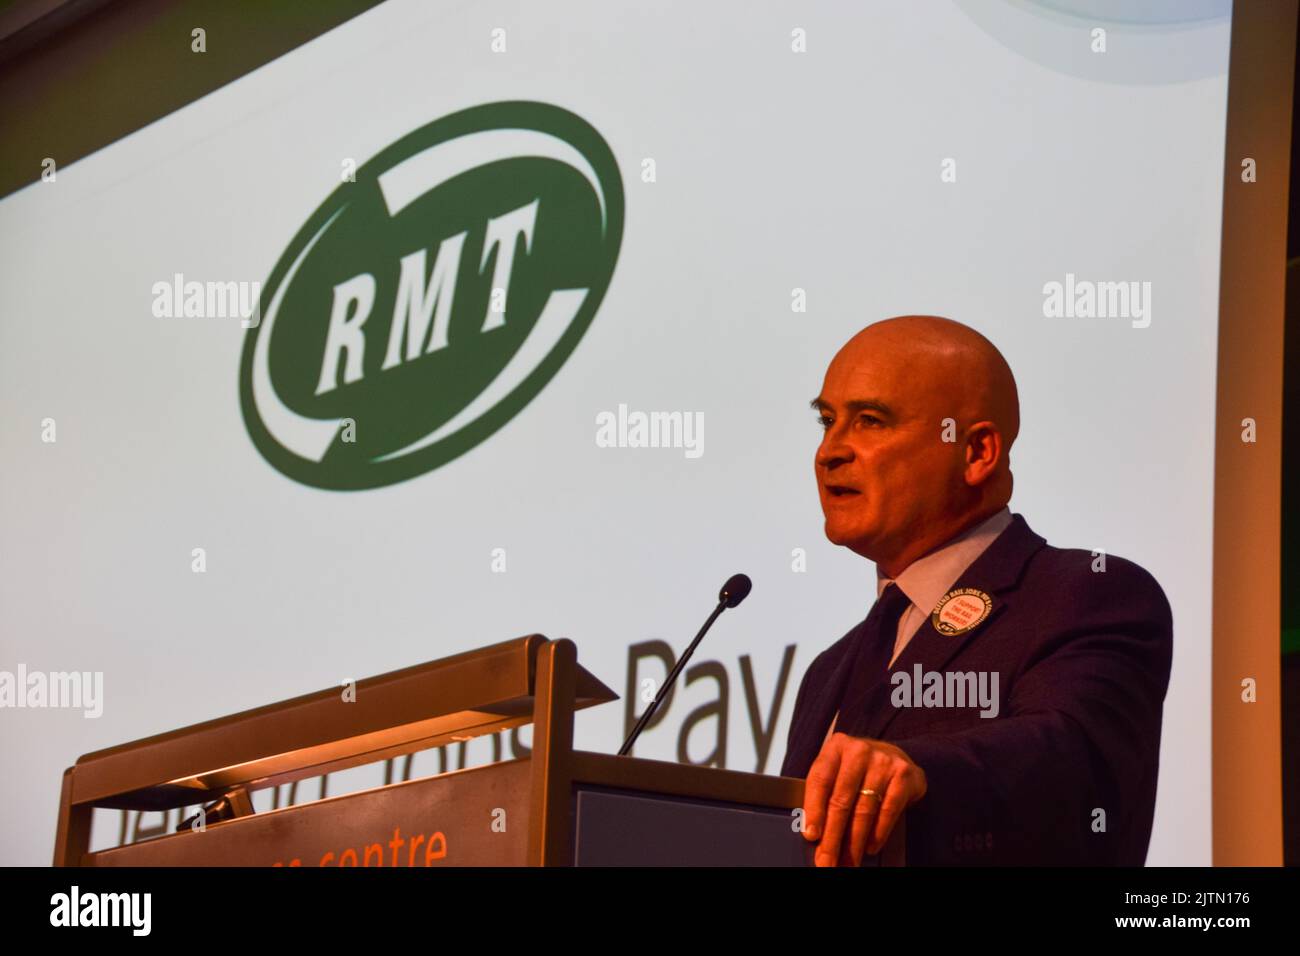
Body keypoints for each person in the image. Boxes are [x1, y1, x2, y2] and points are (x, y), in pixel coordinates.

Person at [782, 315, 1172, 866]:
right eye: (827, 420)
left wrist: (917, 771)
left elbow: (1072, 760)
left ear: (977, 452)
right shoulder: (829, 669)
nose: (830, 452)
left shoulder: (1091, 595)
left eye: (870, 421)